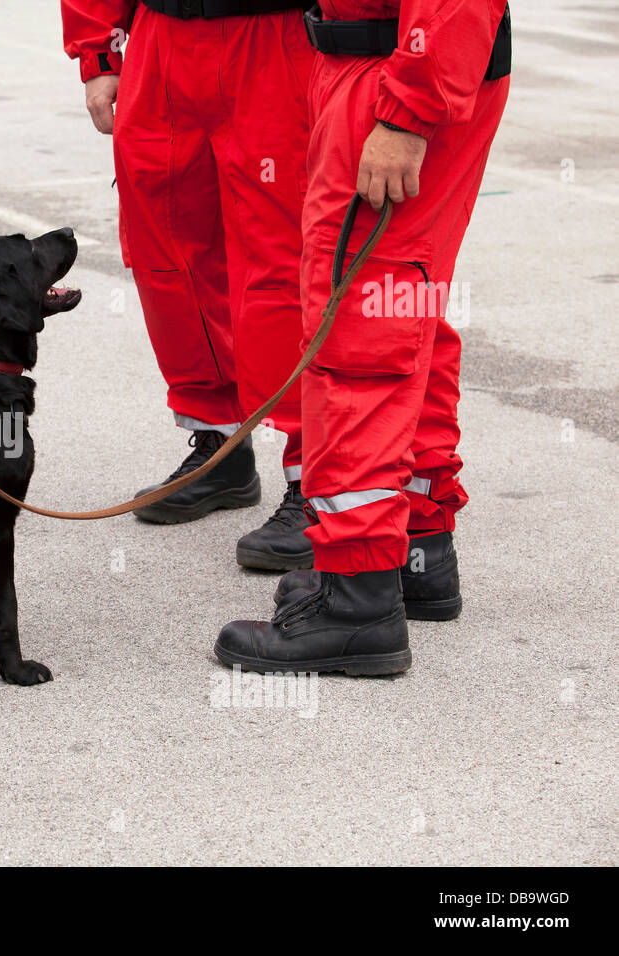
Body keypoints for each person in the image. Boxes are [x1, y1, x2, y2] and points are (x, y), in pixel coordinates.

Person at [215, 1, 511, 673]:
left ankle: (357, 599)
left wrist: (408, 111)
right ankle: (415, 551)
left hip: (394, 75)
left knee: (360, 329)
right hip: (387, 65)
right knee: (402, 307)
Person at [62, 0, 319, 573]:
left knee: (282, 262)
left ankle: (318, 483)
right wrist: (97, 51)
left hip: (277, 38)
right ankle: (219, 449)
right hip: (162, 41)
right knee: (169, 256)